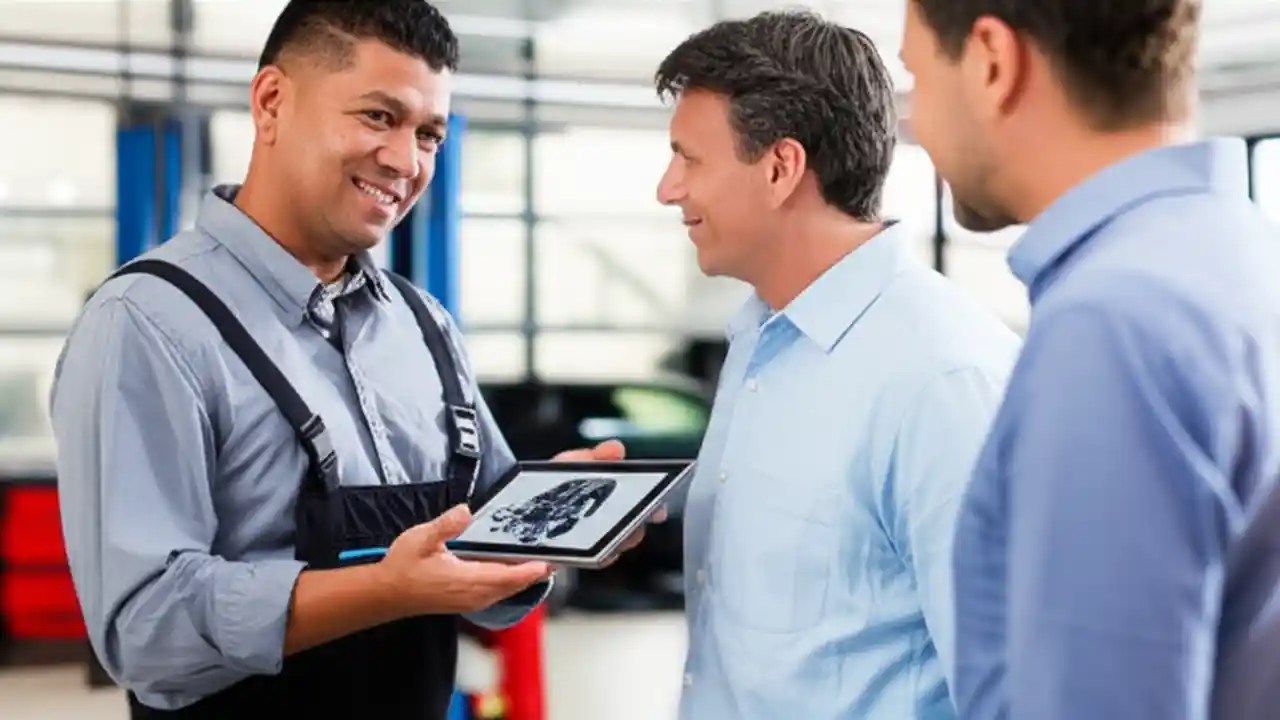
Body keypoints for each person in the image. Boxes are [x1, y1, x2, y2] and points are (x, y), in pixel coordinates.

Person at [49, 2, 654, 718]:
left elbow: (480, 562)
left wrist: (553, 529)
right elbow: (145, 632)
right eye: (377, 117)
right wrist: (385, 590)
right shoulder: (147, 325)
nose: (407, 161)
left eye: (429, 133)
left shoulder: (423, 326)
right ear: (272, 101)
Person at [900, 1, 1280, 718]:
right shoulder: (1240, 260)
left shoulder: (1113, 323)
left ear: (990, 61)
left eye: (915, 76)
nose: (915, 121)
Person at [653, 10, 1021, 719]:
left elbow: (1010, 692)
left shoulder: (943, 380)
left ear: (781, 167)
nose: (668, 189)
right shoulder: (761, 339)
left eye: (688, 158)